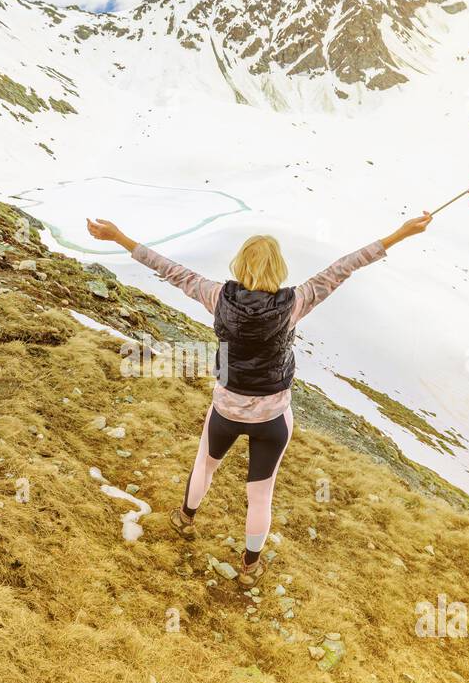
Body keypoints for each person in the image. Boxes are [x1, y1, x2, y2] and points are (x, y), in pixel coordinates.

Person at [85, 212, 433, 585]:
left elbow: (169, 269)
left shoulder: (217, 297)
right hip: (273, 416)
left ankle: (184, 519)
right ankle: (250, 567)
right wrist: (400, 233)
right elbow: (344, 267)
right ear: (279, 268)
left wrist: (119, 236)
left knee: (205, 464)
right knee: (260, 493)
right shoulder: (296, 303)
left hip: (226, 408)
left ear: (241, 264)